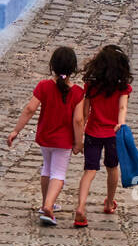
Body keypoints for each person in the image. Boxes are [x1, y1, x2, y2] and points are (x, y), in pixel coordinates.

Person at [7, 47, 84, 227]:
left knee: (47, 169)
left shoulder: (43, 86)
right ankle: (49, 206)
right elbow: (79, 120)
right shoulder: (78, 93)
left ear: (52, 66)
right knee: (58, 173)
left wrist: (15, 131)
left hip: (45, 138)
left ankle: (45, 203)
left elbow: (30, 109)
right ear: (73, 68)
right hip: (63, 141)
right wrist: (78, 143)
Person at [71, 44, 133, 229]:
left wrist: (79, 139)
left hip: (93, 133)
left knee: (89, 171)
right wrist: (120, 123)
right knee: (112, 168)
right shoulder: (123, 87)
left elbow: (85, 113)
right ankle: (109, 202)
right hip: (112, 134)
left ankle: (81, 207)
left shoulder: (91, 85)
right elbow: (122, 107)